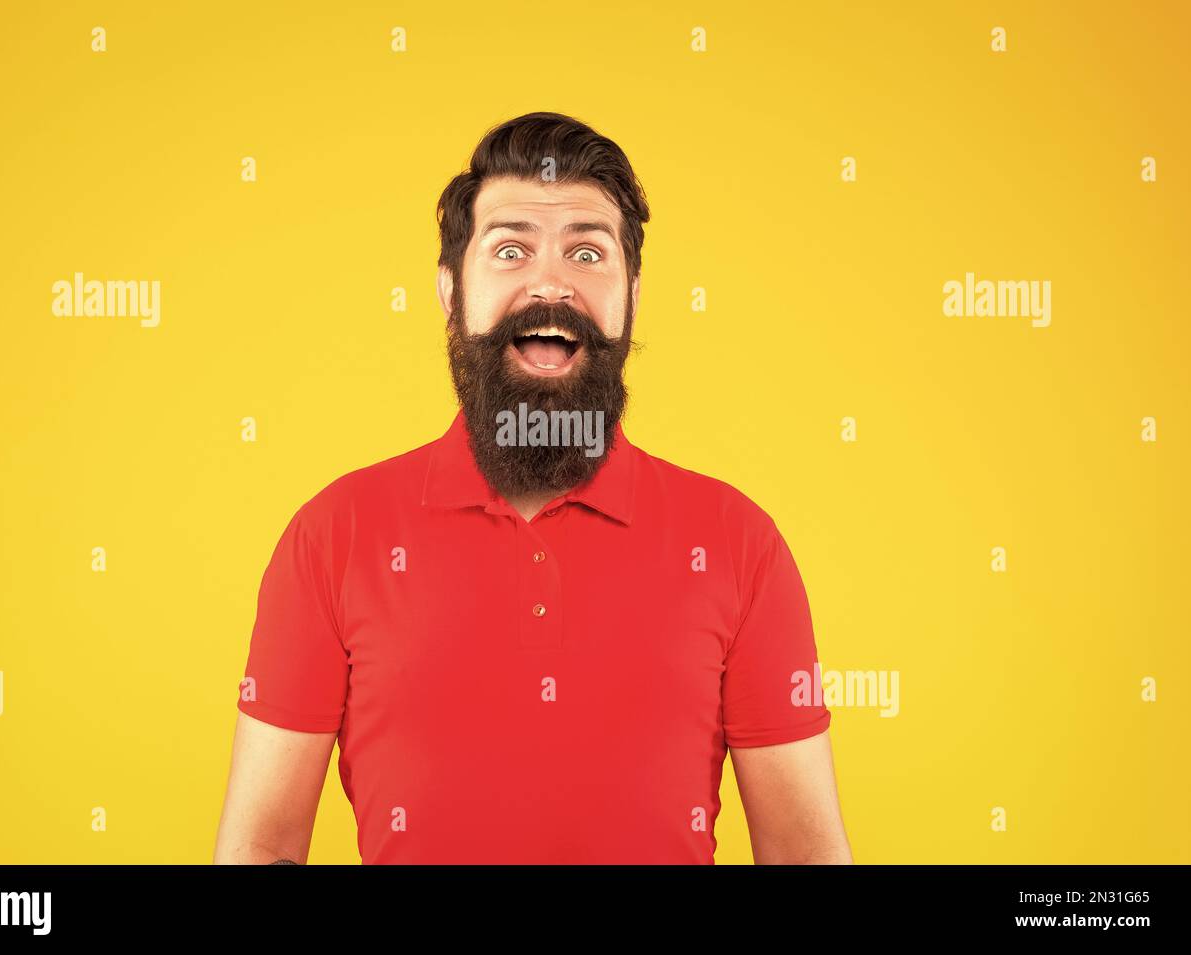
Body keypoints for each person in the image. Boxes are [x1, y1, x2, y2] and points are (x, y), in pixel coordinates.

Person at [213, 112, 852, 864]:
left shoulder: (740, 544)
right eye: (511, 249)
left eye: (587, 251)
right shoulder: (332, 536)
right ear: (450, 292)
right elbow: (259, 850)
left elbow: (805, 857)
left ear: (632, 296)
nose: (551, 282)